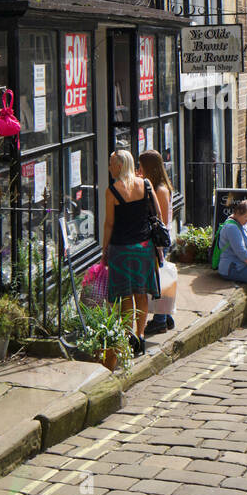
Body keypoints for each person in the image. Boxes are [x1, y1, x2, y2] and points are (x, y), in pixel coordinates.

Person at [101, 149, 159, 356]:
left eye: (111, 163)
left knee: (126, 296)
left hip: (121, 249)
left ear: (119, 166)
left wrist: (104, 249)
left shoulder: (112, 191)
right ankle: (141, 335)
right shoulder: (146, 184)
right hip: (143, 247)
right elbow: (157, 213)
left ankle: (129, 338)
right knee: (141, 293)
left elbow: (109, 224)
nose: (109, 167)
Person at [140, 150, 176, 337]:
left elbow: (159, 220)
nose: (139, 169)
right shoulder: (157, 186)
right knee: (162, 279)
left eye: (141, 166)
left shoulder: (160, 189)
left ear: (149, 167)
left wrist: (157, 247)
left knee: (160, 282)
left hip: (159, 241)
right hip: (158, 241)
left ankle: (160, 320)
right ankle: (166, 316)